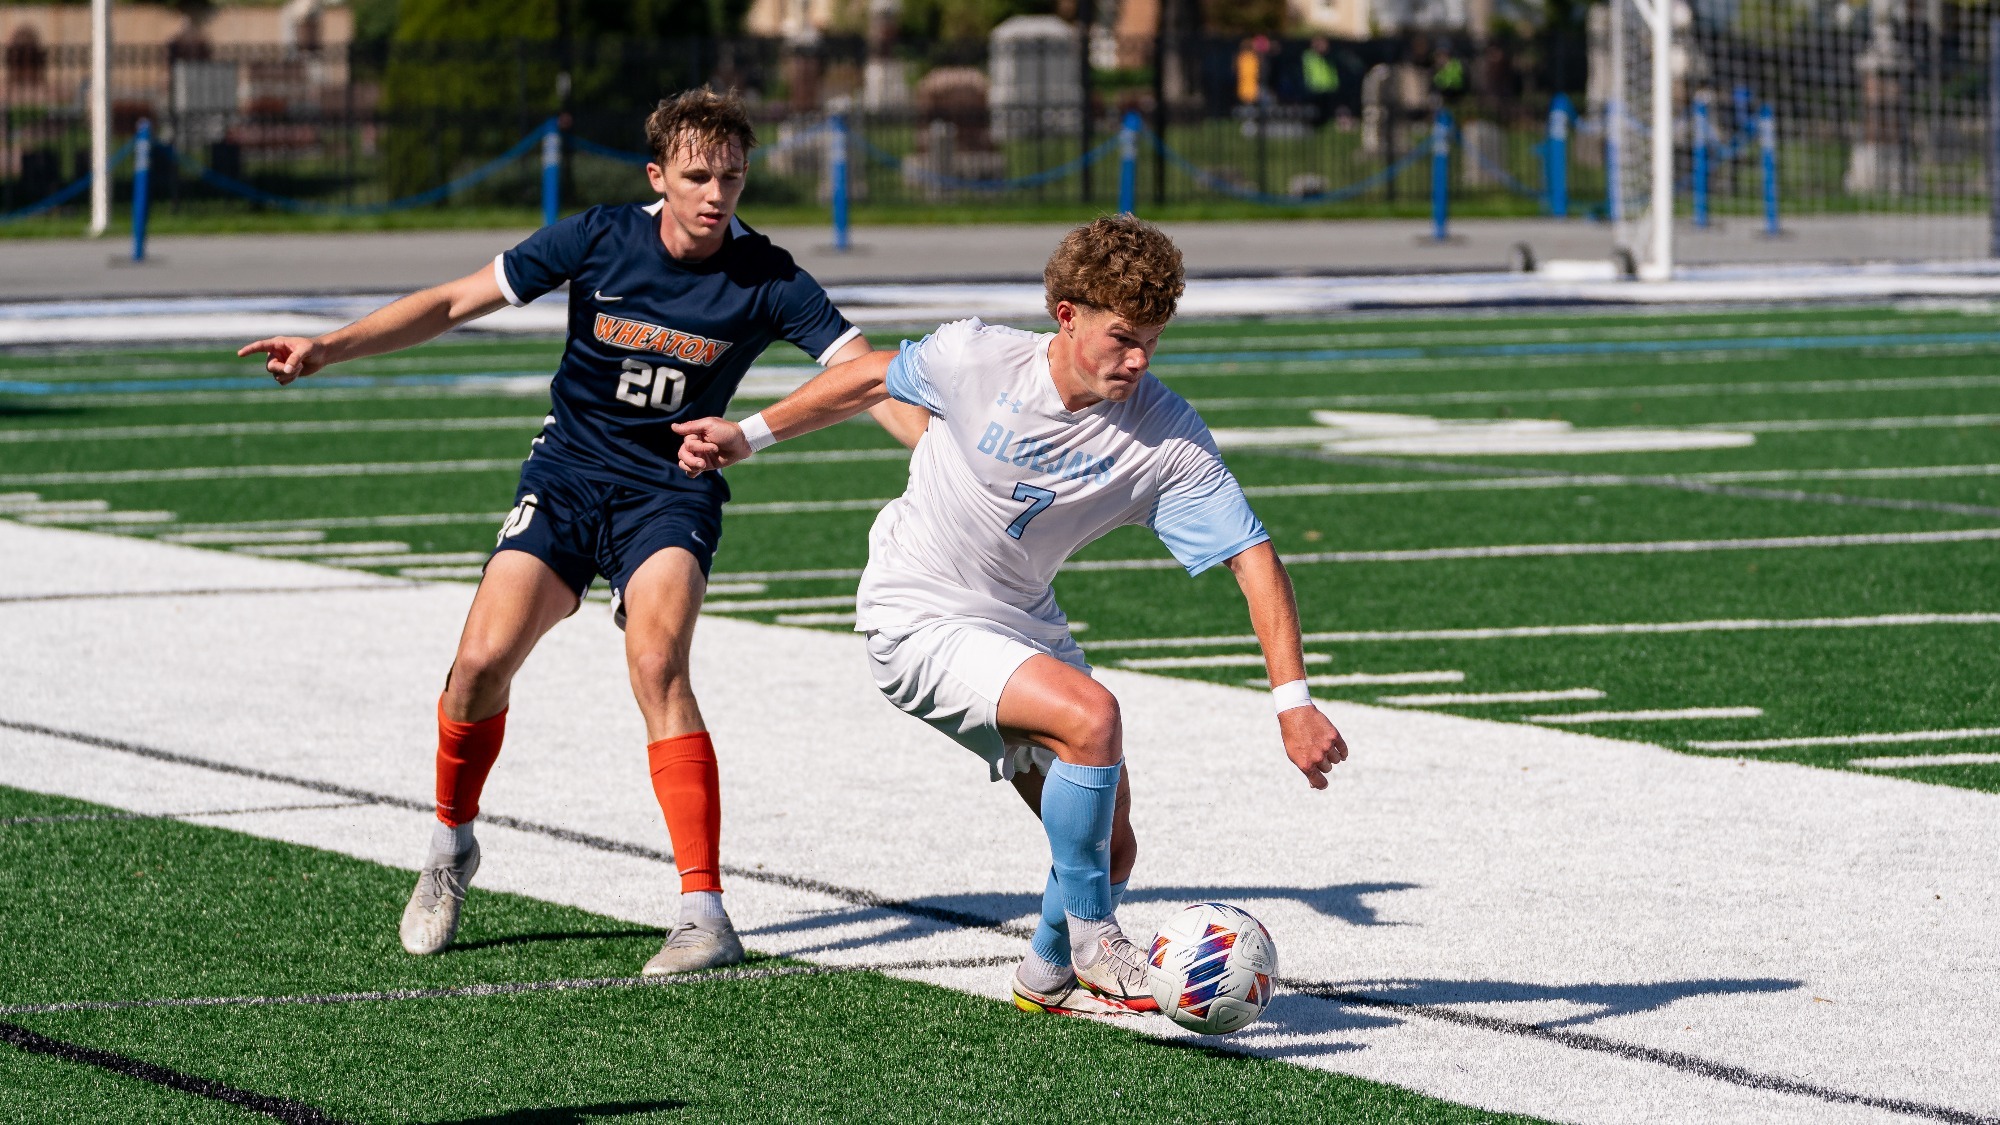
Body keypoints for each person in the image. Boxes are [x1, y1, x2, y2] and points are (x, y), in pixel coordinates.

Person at [237, 89, 929, 974]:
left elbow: (866, 377)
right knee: (480, 665)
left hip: (670, 495)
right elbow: (455, 302)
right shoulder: (600, 236)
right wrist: (329, 346)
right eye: (697, 176)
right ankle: (451, 845)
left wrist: (938, 453)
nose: (717, 193)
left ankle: (705, 912)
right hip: (567, 477)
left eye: (732, 176)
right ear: (658, 178)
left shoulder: (770, 275)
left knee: (657, 661)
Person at [673, 216, 1349, 1015]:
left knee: (1111, 841)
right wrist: (748, 434)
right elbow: (867, 377)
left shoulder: (1164, 436)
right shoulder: (976, 357)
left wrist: (1293, 702)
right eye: (1122, 337)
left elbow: (1253, 556)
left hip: (1019, 625)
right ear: (1067, 315)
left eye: (1153, 341)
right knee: (1093, 716)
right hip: (915, 613)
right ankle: (1100, 943)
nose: (1137, 360)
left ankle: (1049, 972)